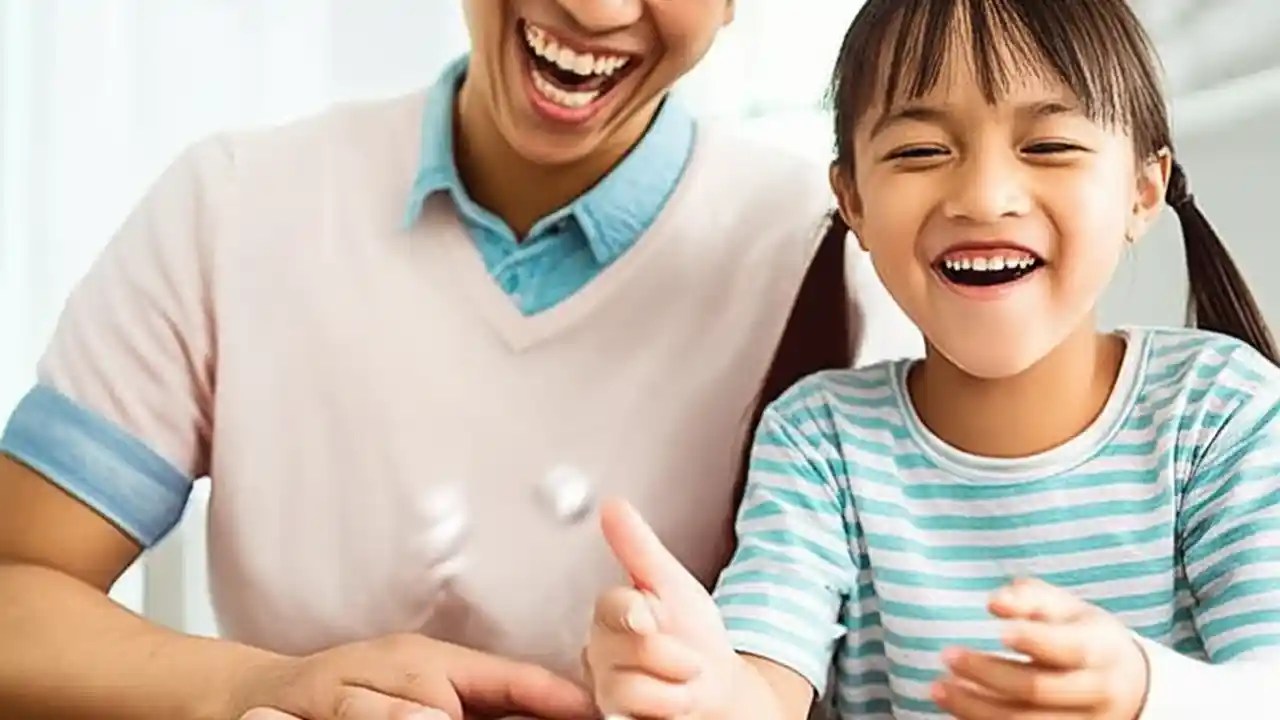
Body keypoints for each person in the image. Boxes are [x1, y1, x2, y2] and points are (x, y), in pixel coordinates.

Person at [0, 1, 864, 718]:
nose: (595, 9)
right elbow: (16, 594)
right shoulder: (232, 205)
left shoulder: (835, 259)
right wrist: (256, 686)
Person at [584, 0, 1280, 718]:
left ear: (1143, 189)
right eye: (919, 152)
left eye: (1048, 146)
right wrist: (698, 686)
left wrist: (1145, 689)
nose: (984, 199)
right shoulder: (821, 441)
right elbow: (761, 693)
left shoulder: (1220, 414)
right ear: (852, 200)